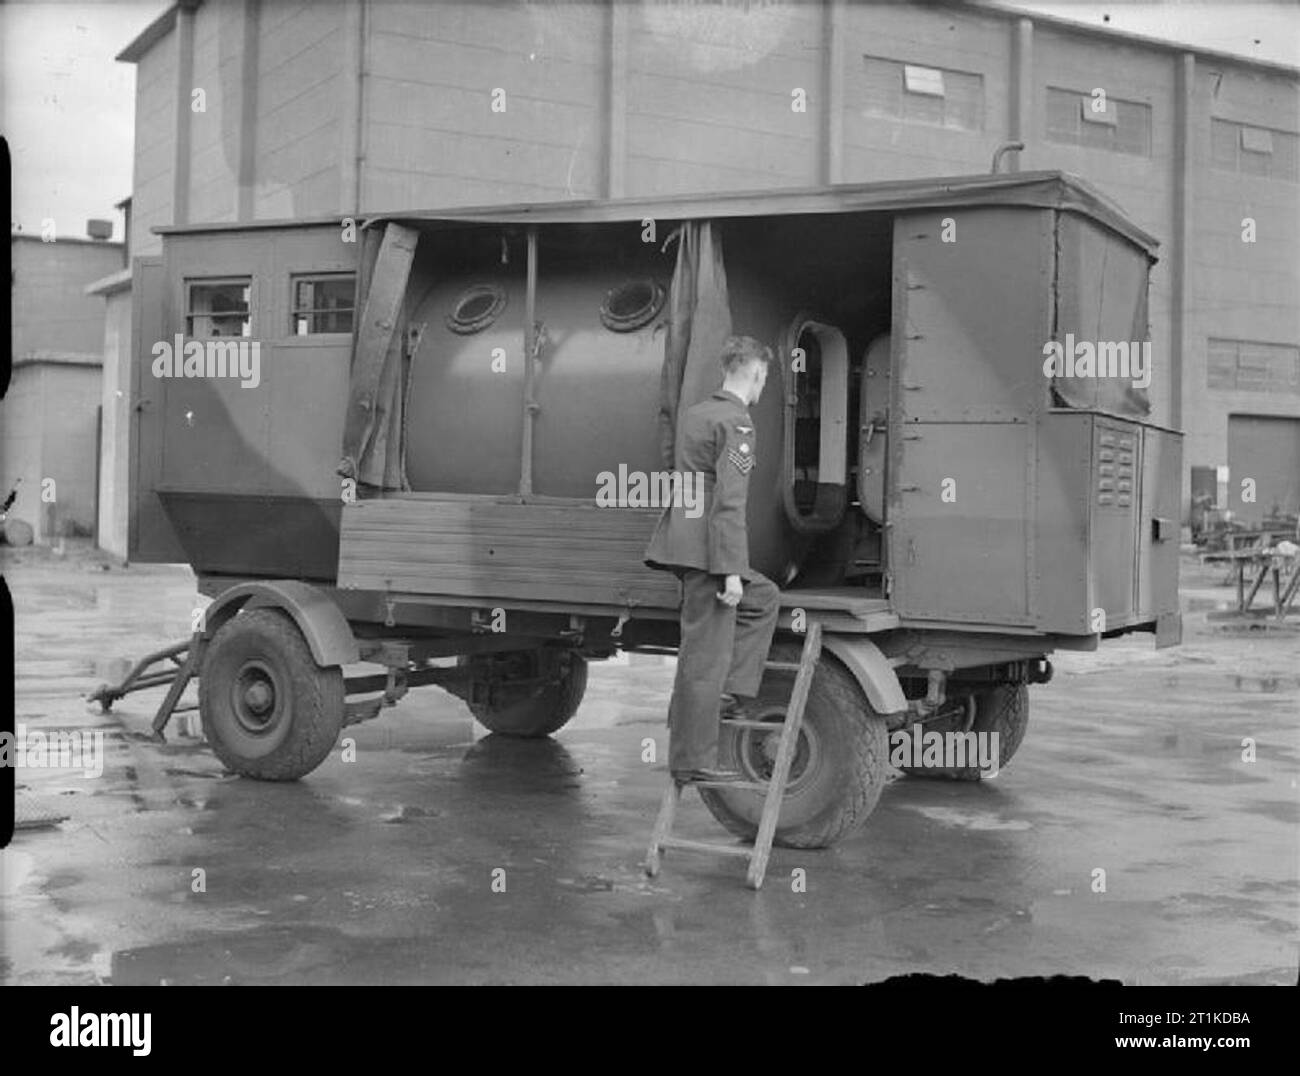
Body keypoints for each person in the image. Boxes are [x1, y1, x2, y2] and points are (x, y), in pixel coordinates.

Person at [644, 335, 781, 784]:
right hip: (707, 551)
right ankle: (692, 761)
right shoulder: (737, 424)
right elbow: (728, 503)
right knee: (705, 656)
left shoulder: (697, 414)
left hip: (683, 541)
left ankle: (734, 691)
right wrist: (730, 572)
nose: (763, 388)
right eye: (764, 378)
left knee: (764, 598)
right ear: (755, 373)